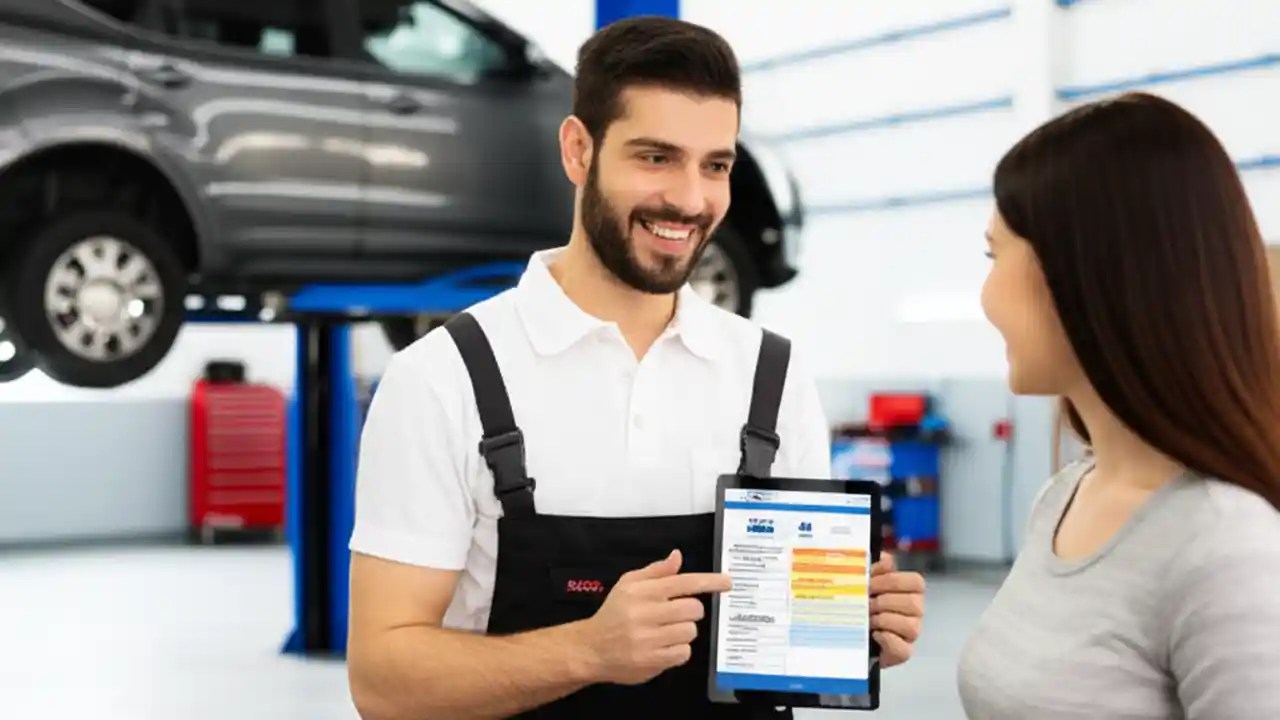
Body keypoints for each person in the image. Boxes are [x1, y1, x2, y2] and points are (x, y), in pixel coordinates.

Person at [345, 15, 926, 720]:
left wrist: (852, 634)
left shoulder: (770, 377)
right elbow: (382, 680)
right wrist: (587, 652)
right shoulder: (444, 379)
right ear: (577, 150)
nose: (689, 199)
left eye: (715, 165)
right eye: (656, 157)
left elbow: (781, 657)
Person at [957, 91, 1280, 719]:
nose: (986, 294)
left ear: (1084, 272)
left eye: (995, 256)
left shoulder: (1228, 550)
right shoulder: (1063, 496)